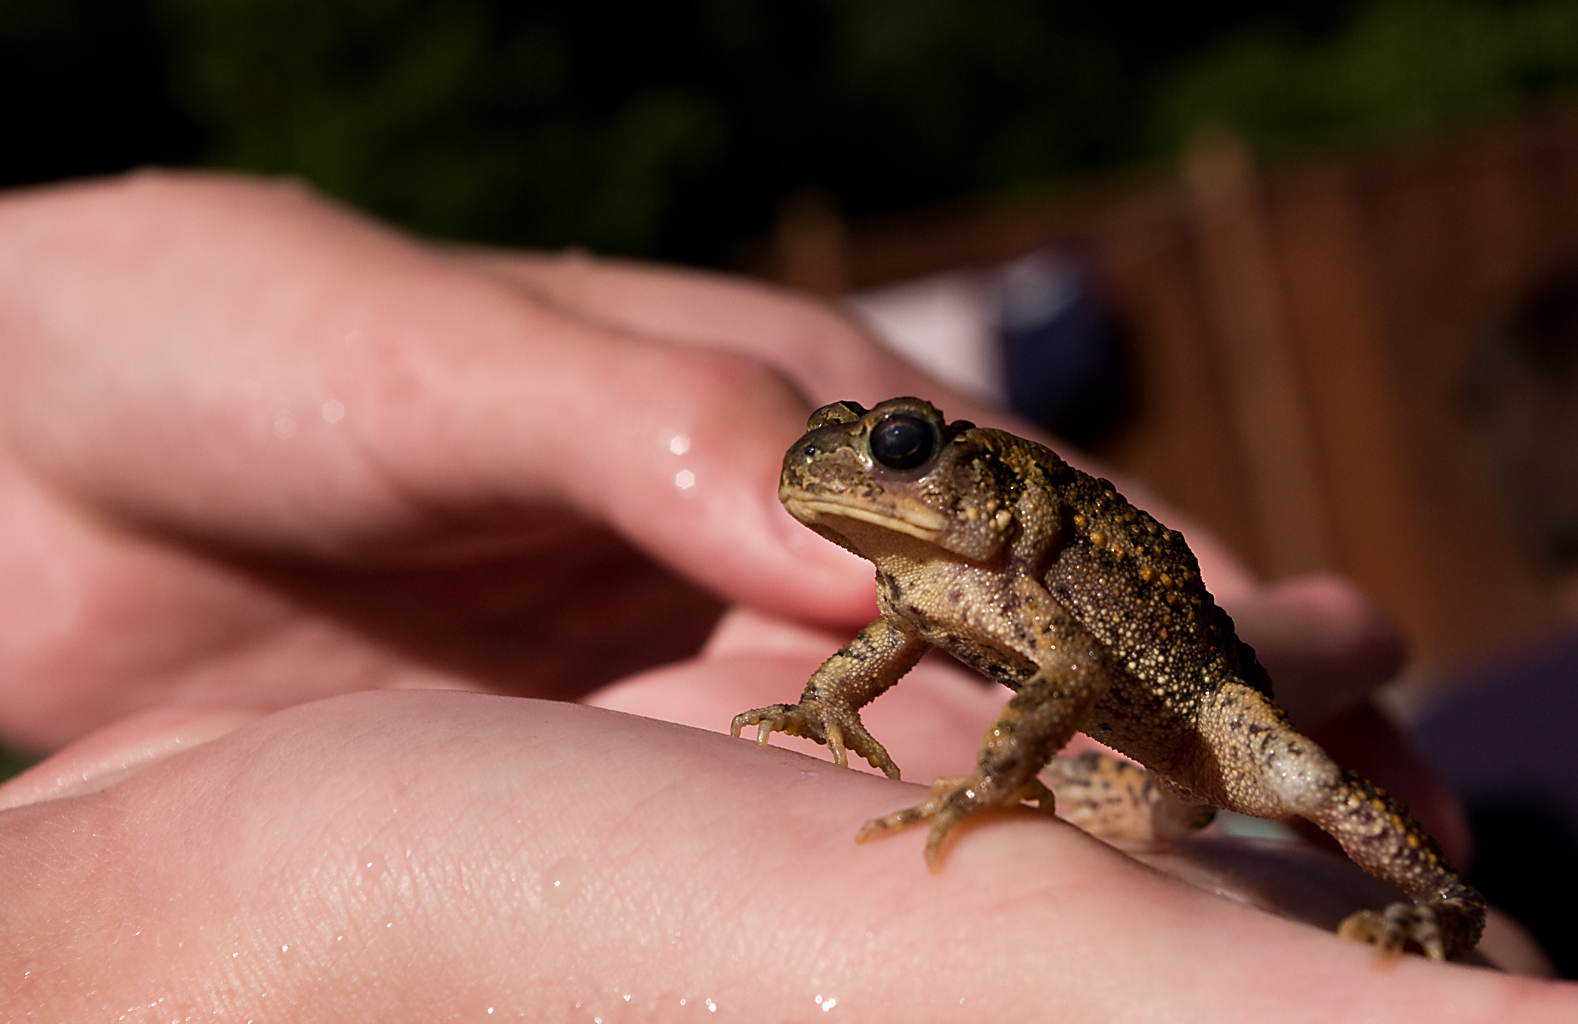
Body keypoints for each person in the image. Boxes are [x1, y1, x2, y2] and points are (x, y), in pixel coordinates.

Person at [0, 170, 1568, 1020]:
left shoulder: (1030, 575)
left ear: (978, 483)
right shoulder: (931, 588)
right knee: (1134, 831)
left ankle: (1424, 898)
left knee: (1299, 781)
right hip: (1106, 737)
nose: (854, 475)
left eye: (890, 449)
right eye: (839, 456)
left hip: (1188, 693)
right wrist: (825, 696)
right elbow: (892, 633)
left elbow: (1071, 676)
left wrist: (995, 785)